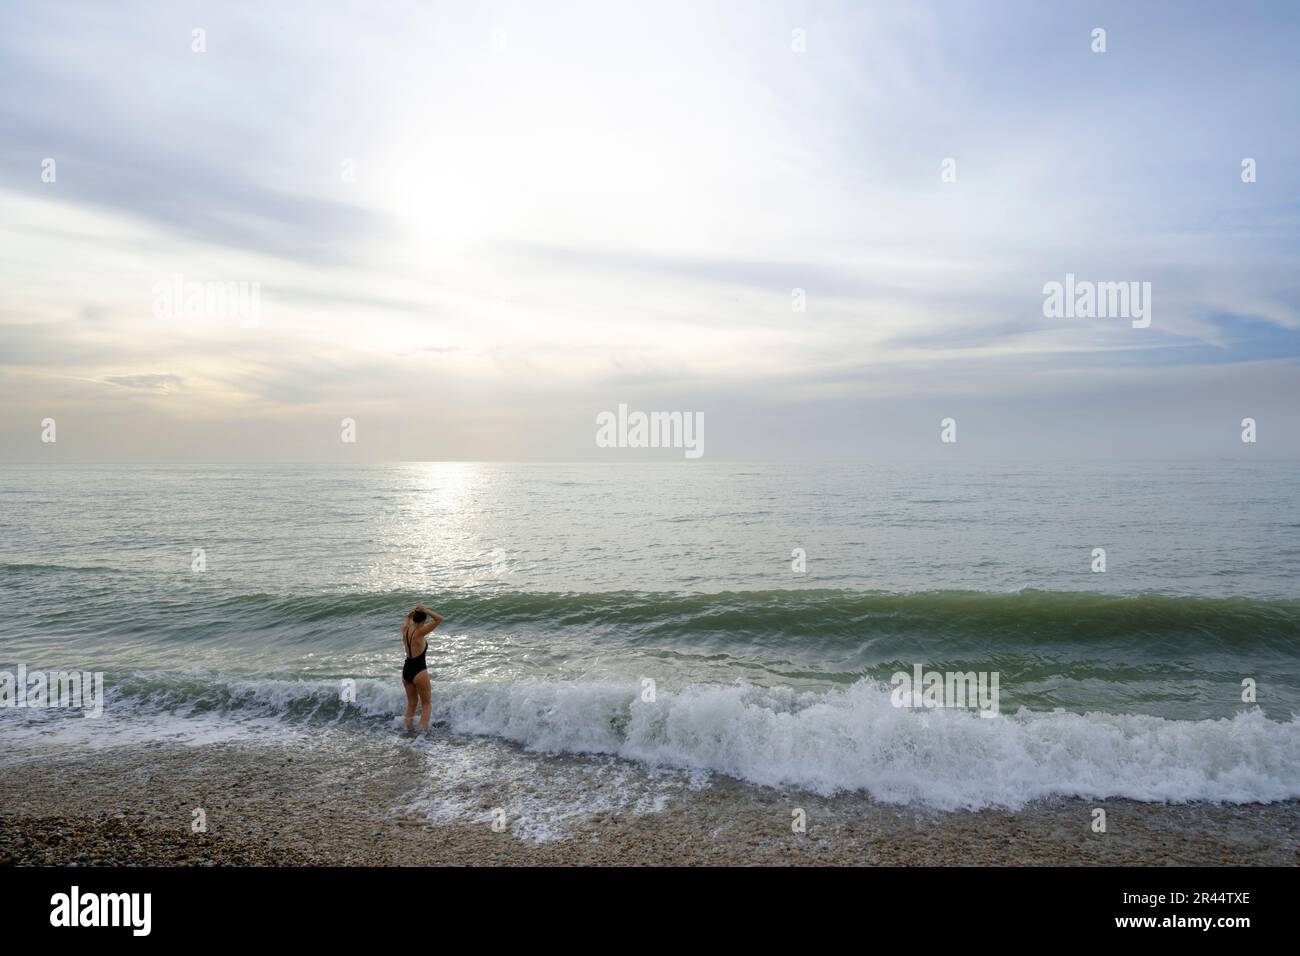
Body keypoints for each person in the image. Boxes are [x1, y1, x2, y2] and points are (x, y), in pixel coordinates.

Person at [401, 603, 443, 731]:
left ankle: (406, 731)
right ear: (423, 621)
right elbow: (439, 619)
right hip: (419, 670)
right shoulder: (420, 632)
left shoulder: (406, 629)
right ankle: (422, 736)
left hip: (406, 670)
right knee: (426, 704)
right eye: (425, 622)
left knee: (412, 704)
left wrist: (410, 614)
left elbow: (408, 619)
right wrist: (426, 610)